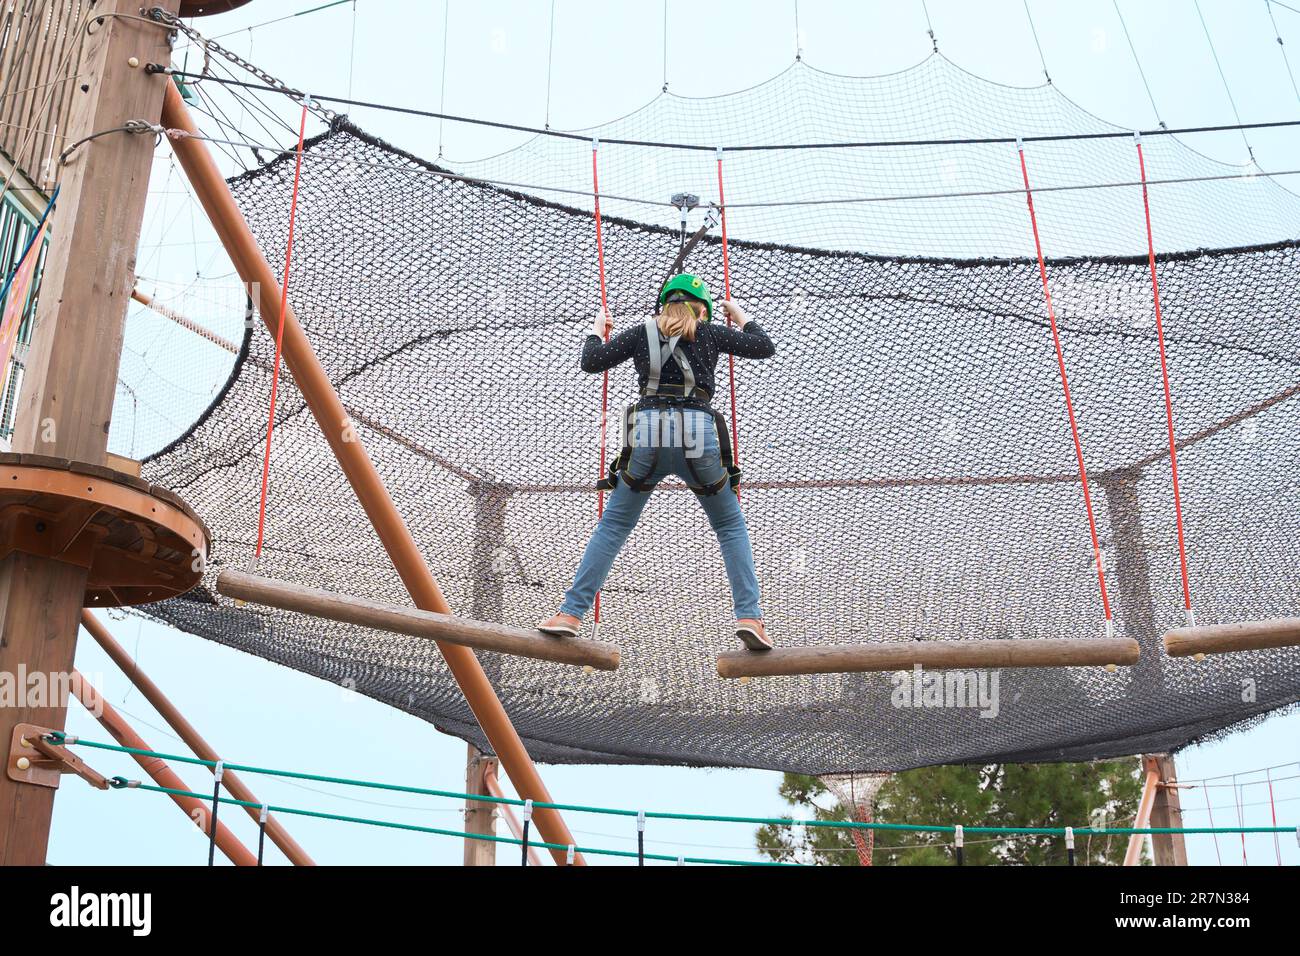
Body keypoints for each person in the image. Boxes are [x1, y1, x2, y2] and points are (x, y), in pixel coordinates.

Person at [538, 273, 777, 650]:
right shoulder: (710, 333)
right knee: (729, 526)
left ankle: (571, 613)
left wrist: (597, 331)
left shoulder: (640, 333)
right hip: (698, 432)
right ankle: (750, 617)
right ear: (704, 309)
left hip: (648, 431)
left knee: (614, 525)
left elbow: (592, 361)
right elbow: (764, 346)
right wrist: (742, 316)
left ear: (663, 304)